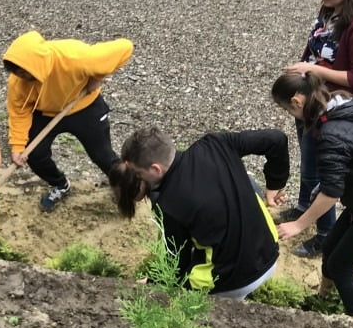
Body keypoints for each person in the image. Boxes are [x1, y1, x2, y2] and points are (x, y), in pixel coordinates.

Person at [272, 72, 353, 325]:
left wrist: (299, 224)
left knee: (342, 269)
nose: (290, 115)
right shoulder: (347, 106)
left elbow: (331, 193)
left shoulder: (331, 133)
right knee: (331, 248)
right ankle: (322, 300)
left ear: (297, 102)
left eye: (286, 109)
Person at [111, 126, 289, 299]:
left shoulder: (168, 203)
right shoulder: (216, 143)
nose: (138, 178)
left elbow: (176, 263)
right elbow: (276, 139)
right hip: (269, 251)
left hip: (234, 281)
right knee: (243, 180)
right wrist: (275, 184)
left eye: (139, 174)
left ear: (156, 169)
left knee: (181, 294)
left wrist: (152, 282)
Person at [281, 0, 353, 258]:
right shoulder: (330, 10)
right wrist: (302, 73)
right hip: (311, 99)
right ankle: (302, 207)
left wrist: (313, 71)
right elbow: (315, 47)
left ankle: (324, 235)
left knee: (323, 171)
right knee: (307, 161)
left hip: (333, 108)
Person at [3, 32, 133, 211]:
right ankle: (61, 184)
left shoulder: (74, 56)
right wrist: (17, 146)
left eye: (24, 72)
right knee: (35, 155)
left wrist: (98, 76)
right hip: (46, 113)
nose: (21, 78)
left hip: (85, 106)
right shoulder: (18, 83)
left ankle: (124, 189)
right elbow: (19, 112)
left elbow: (125, 46)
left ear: (37, 63)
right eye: (17, 73)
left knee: (102, 155)